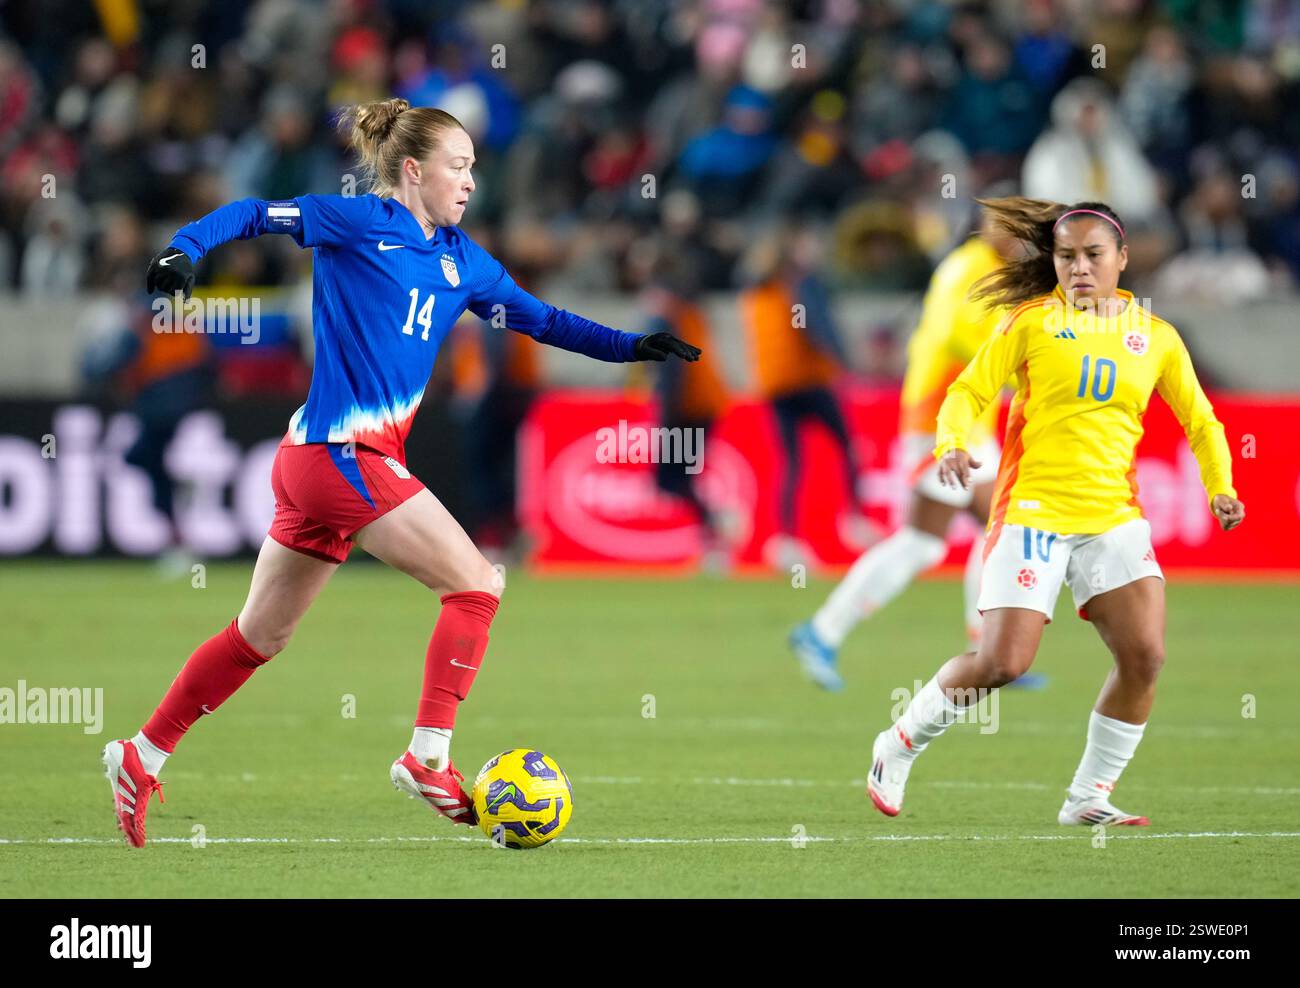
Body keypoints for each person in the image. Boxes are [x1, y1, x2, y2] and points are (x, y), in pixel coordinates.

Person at [101, 97, 700, 848]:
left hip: (318, 463)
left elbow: (542, 319)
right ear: (413, 170)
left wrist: (631, 347)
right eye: (459, 166)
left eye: (476, 168)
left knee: (259, 636)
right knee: (477, 584)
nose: (471, 182)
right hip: (341, 454)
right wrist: (185, 248)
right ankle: (428, 759)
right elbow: (256, 212)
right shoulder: (359, 222)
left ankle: (141, 753)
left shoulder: (462, 260)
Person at [866, 197, 1244, 826]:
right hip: (1034, 512)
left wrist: (1220, 485)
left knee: (1145, 656)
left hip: (1112, 517)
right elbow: (967, 389)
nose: (1079, 268)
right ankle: (897, 744)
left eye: (1093, 255)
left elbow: (1201, 420)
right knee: (1003, 664)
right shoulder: (1031, 322)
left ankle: (1087, 796)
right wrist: (953, 442)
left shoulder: (1155, 337)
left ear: (1122, 259)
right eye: (1066, 256)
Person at [790, 206, 1020, 690]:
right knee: (922, 543)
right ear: (989, 226)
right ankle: (821, 631)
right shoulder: (969, 266)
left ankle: (990, 650)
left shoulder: (988, 269)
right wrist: (1019, 357)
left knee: (999, 529)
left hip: (969, 421)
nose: (1021, 238)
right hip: (943, 417)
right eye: (1012, 225)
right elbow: (956, 332)